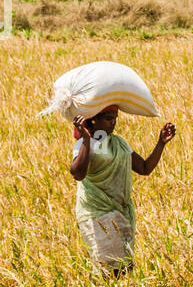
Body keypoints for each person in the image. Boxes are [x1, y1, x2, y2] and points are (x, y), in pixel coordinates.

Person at [69, 106, 175, 275]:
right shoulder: (83, 144)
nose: (113, 122)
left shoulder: (118, 143)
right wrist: (88, 140)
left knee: (124, 268)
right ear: (94, 120)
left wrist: (161, 143)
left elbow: (144, 168)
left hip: (121, 212)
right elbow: (78, 173)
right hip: (97, 213)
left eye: (115, 118)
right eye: (108, 118)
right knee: (108, 270)